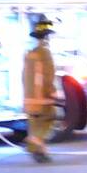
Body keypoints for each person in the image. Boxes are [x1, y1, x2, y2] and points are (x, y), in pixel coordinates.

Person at [23, 17, 57, 164]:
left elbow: (24, 76)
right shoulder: (45, 53)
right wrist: (52, 91)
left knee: (35, 124)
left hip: (29, 98)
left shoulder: (30, 54)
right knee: (47, 121)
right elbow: (48, 75)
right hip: (43, 98)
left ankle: (39, 152)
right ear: (47, 37)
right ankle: (33, 142)